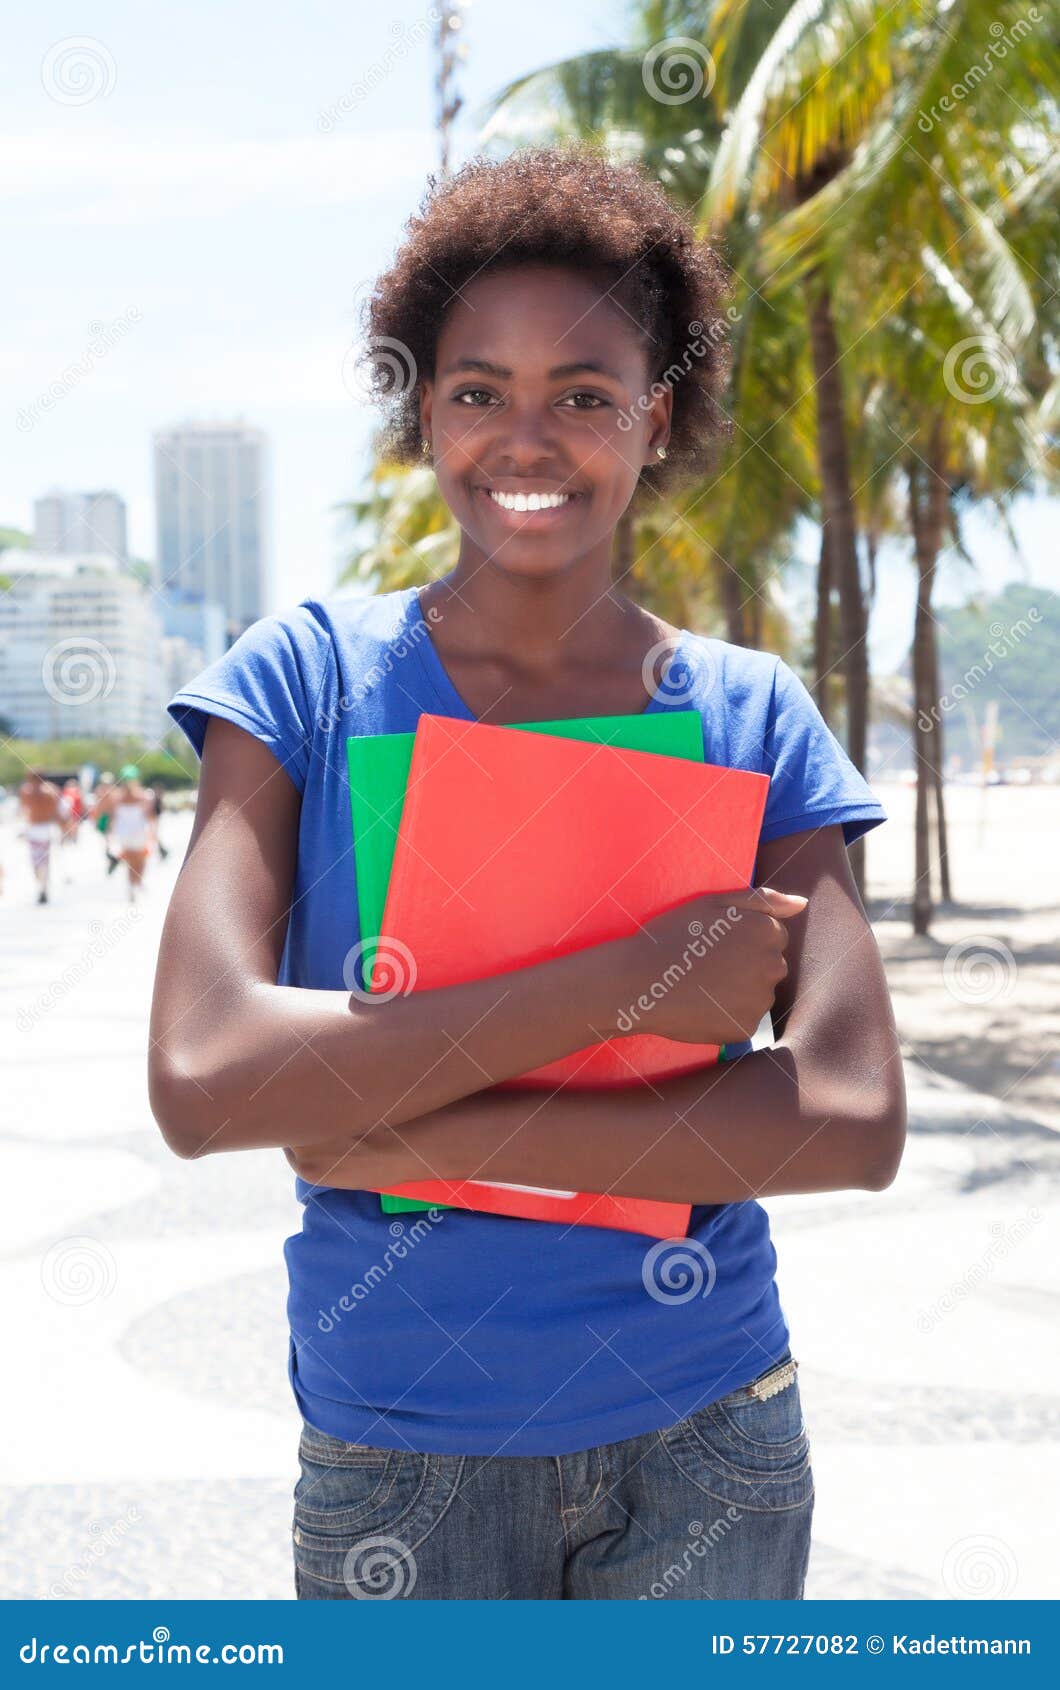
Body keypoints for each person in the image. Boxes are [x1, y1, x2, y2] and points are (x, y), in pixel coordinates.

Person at [151, 149, 905, 1602]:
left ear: (653, 415)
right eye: (478, 389)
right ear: (425, 413)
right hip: (401, 1452)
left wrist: (399, 1135)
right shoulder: (302, 681)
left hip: (708, 1436)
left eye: (585, 392)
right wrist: (630, 981)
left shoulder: (755, 717)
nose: (528, 436)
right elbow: (203, 1073)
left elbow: (852, 1117)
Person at [99, 765, 155, 903]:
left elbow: (109, 817)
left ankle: (131, 887)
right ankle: (137, 883)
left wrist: (107, 837)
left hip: (123, 833)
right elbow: (150, 816)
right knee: (140, 861)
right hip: (138, 832)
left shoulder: (116, 797)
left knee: (130, 862)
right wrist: (153, 834)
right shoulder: (143, 795)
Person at [18, 768, 63, 904]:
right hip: (42, 829)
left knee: (39, 862)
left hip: (38, 829)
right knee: (40, 862)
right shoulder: (49, 791)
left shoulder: (28, 791)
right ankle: (43, 887)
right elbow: (57, 812)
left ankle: (43, 888)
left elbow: (23, 811)